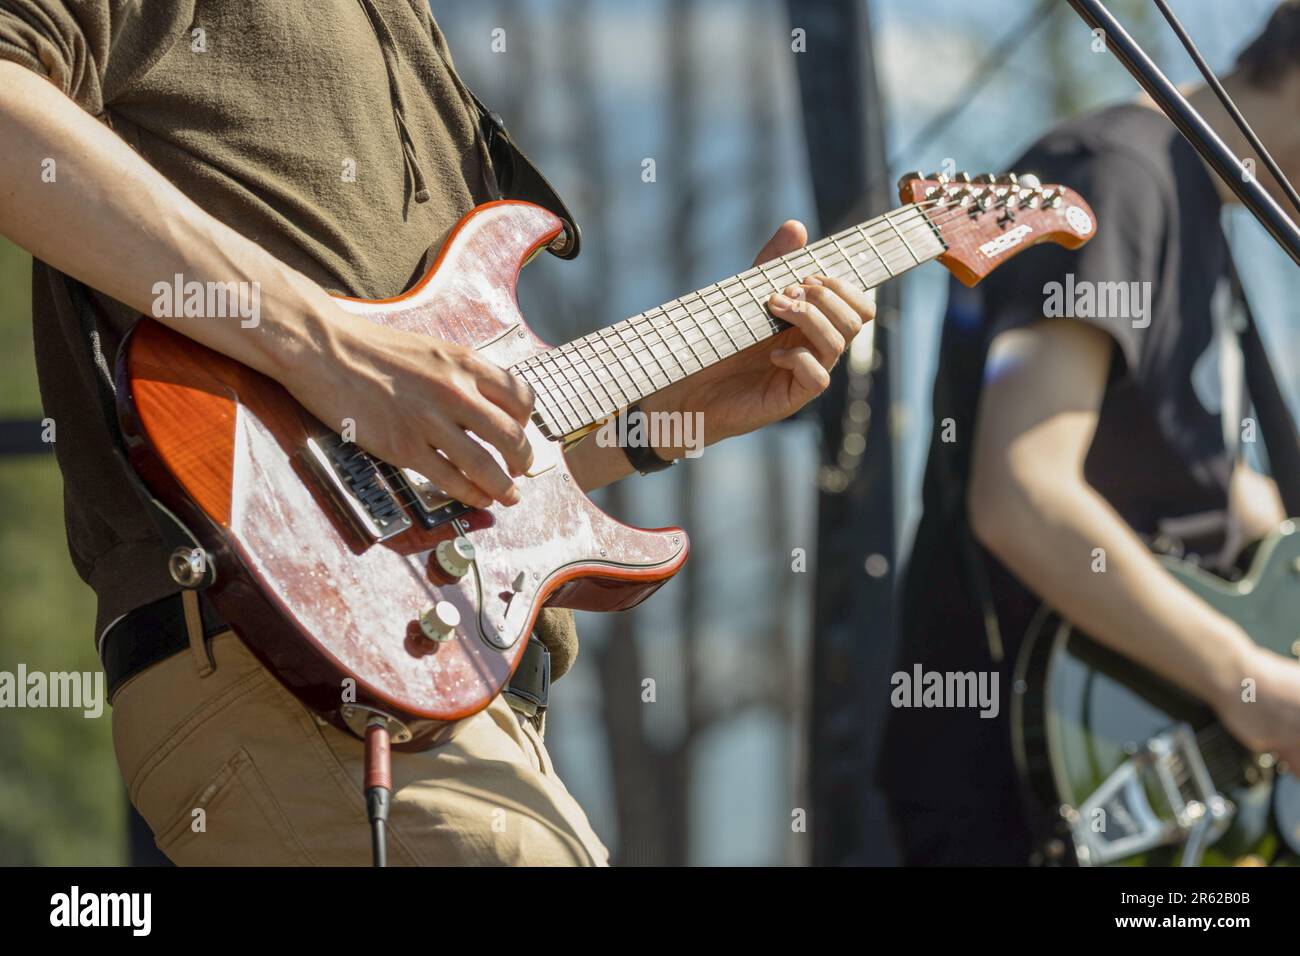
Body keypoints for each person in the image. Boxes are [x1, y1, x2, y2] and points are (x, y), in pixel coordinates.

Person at [0, 2, 874, 865]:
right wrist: (330, 349)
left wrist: (666, 417)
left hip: (456, 704)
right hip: (285, 673)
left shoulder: (413, 31)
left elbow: (415, 470)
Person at [880, 1, 1300, 865]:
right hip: (1025, 792)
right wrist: (1245, 680)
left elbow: (1209, 490)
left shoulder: (1194, 212)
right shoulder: (1115, 174)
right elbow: (1022, 493)